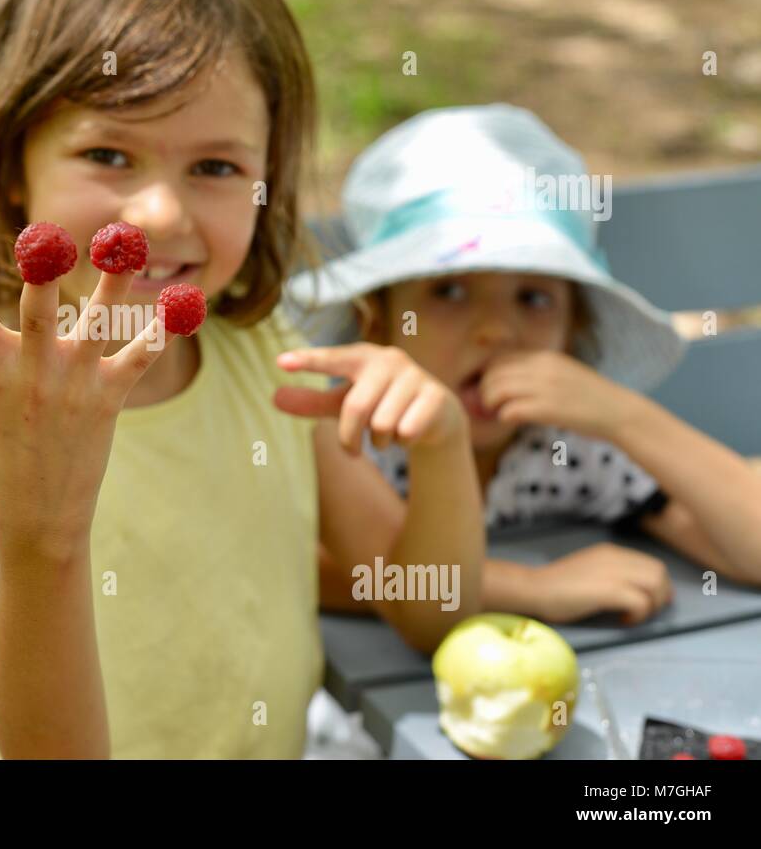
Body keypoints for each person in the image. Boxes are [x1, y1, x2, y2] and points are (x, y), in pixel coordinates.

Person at [0, 0, 484, 759]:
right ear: (11, 167)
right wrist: (40, 519)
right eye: (108, 153)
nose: (161, 214)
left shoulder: (260, 353)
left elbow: (425, 607)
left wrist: (441, 446)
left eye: (215, 167)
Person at [287, 104, 761, 630]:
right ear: (379, 323)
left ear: (572, 334)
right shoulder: (358, 433)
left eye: (533, 298)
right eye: (449, 291)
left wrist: (625, 416)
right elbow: (323, 568)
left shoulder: (573, 446)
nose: (497, 331)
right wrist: (531, 588)